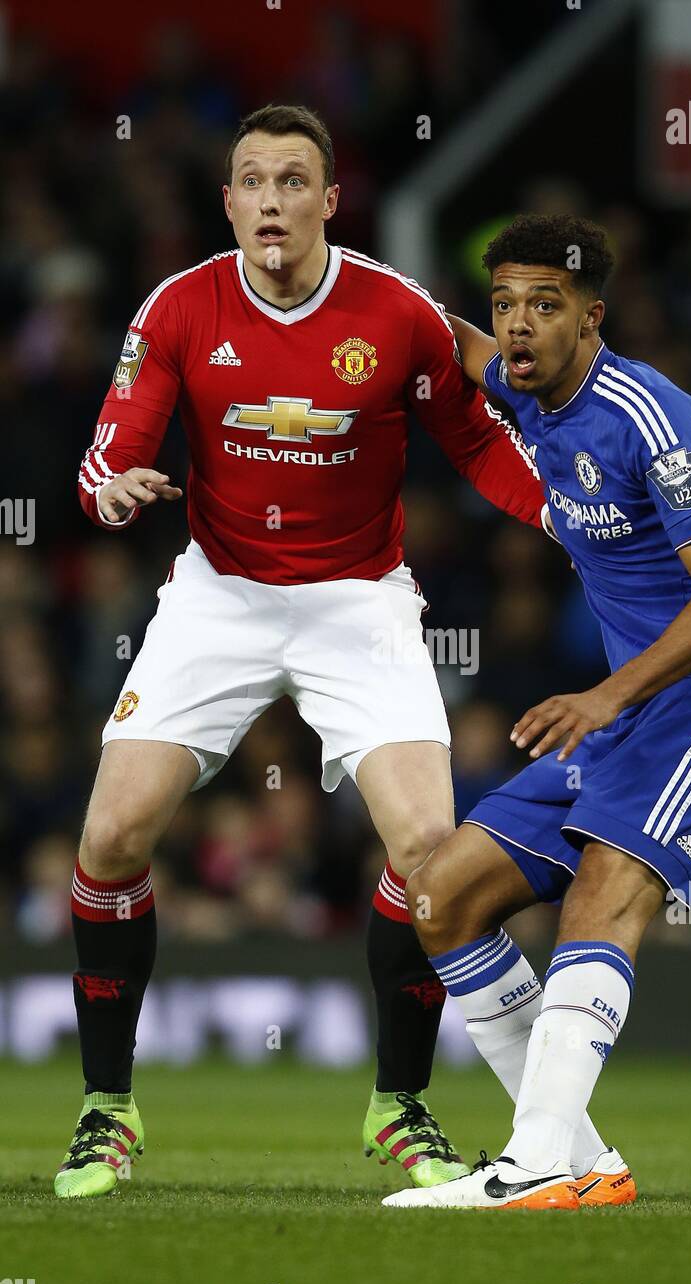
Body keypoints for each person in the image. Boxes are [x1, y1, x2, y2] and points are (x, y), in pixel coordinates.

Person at [55, 105, 552, 1199]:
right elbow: (108, 453)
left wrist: (564, 515)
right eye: (251, 181)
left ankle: (398, 1105)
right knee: (108, 833)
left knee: (430, 849)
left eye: (293, 180)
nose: (271, 200)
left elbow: (473, 436)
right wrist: (115, 491)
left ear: (329, 201)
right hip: (218, 594)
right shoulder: (180, 307)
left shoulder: (398, 311)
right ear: (228, 201)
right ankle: (105, 1108)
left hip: (358, 599)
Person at [382, 213, 691, 1210]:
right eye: (505, 305)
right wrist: (335, 274)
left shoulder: (648, 419)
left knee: (603, 885)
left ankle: (528, 1167)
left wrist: (606, 693)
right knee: (443, 895)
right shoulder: (523, 387)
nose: (517, 327)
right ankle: (578, 1159)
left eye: (544, 305)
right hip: (630, 713)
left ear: (591, 317)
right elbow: (445, 335)